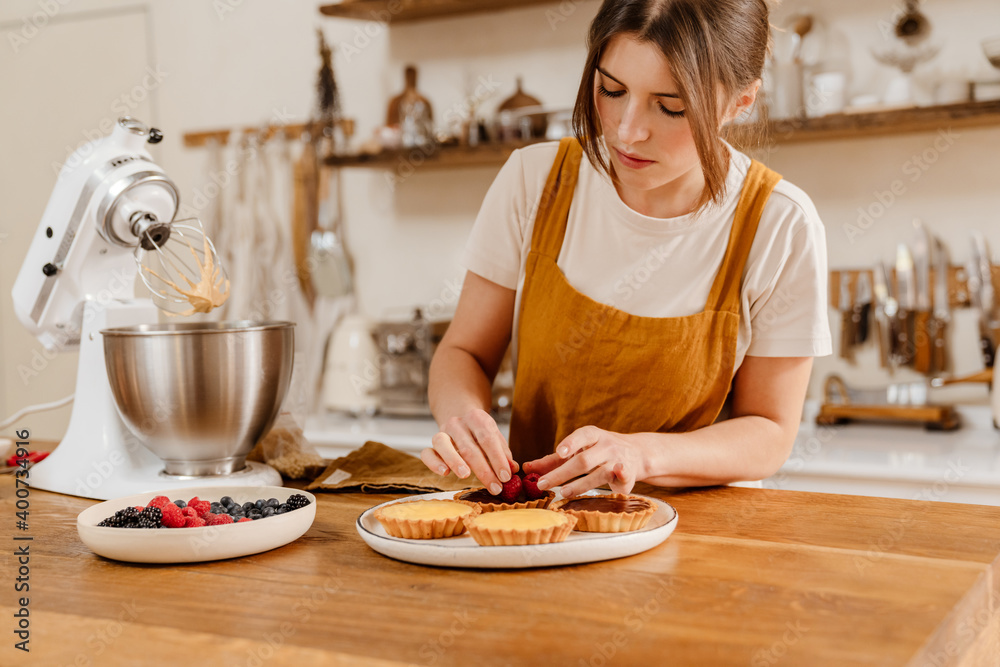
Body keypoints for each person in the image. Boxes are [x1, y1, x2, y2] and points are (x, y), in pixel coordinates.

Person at [420, 0, 832, 500]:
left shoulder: (778, 223)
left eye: (671, 106)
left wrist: (639, 454)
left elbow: (769, 431)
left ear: (741, 102)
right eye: (611, 90)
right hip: (538, 531)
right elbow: (463, 352)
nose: (627, 129)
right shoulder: (535, 181)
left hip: (702, 543)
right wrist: (465, 415)